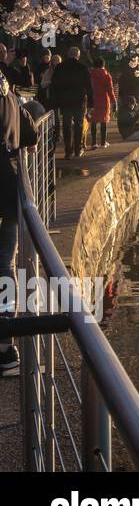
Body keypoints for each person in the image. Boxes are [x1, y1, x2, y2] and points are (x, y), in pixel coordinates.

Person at [0, 72, 39, 374]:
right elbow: (30, 135)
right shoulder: (9, 94)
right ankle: (6, 344)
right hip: (9, 188)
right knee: (5, 266)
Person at [48, 46, 92, 159]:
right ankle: (77, 149)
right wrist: (91, 103)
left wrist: (54, 101)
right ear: (78, 55)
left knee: (66, 125)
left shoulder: (60, 67)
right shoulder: (82, 68)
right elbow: (88, 86)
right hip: (79, 100)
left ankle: (68, 151)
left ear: (67, 55)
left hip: (65, 100)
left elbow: (54, 85)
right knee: (78, 125)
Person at [88, 57, 116, 150]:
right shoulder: (106, 75)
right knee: (103, 121)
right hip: (103, 100)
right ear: (103, 65)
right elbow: (110, 90)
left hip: (92, 100)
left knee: (93, 121)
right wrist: (114, 101)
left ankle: (93, 143)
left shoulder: (90, 75)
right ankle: (103, 142)